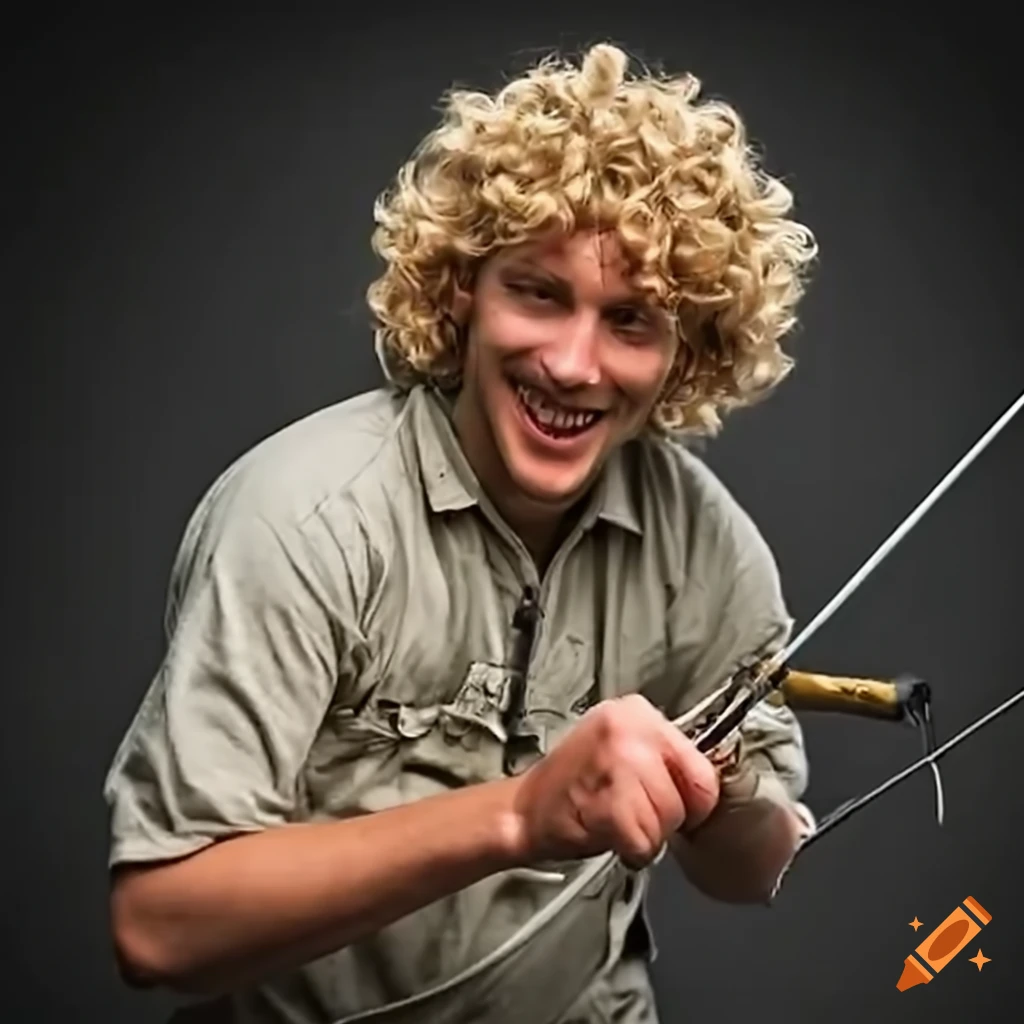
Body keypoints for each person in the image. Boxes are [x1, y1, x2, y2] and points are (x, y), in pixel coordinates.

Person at [103, 42, 819, 1024]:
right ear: (459, 288)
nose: (573, 364)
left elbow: (755, 869)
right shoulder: (303, 517)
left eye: (631, 320)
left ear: (686, 352)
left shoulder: (707, 549)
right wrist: (522, 815)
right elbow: (159, 927)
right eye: (537, 292)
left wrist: (724, 775)